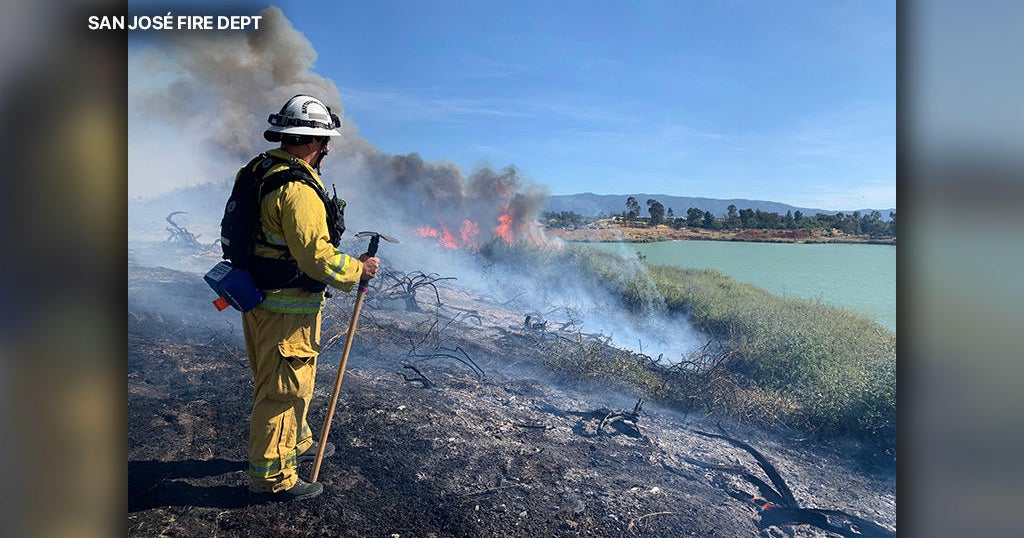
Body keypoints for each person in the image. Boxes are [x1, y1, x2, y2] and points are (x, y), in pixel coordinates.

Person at [239, 95, 380, 502]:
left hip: (262, 299)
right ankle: (273, 479)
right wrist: (358, 270)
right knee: (282, 391)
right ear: (308, 141)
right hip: (286, 307)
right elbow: (316, 256)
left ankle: (295, 445)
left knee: (289, 383)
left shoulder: (259, 169)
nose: (327, 151)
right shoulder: (297, 190)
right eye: (324, 143)